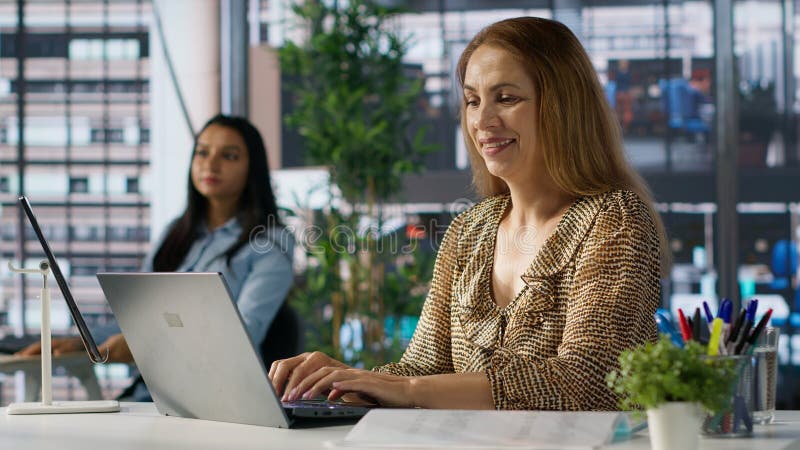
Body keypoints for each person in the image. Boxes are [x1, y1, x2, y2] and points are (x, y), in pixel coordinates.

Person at [268, 17, 667, 411]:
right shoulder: (470, 229)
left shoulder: (614, 219)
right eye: (473, 100)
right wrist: (342, 383)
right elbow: (422, 368)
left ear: (564, 107)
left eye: (506, 98)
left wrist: (405, 388)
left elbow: (587, 383)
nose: (482, 121)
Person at [19, 114, 294, 382]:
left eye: (229, 155)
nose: (210, 164)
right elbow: (137, 317)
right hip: (157, 392)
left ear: (253, 167)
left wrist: (145, 345)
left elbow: (243, 336)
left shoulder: (269, 243)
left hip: (226, 390)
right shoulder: (176, 233)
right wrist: (83, 342)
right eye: (202, 153)